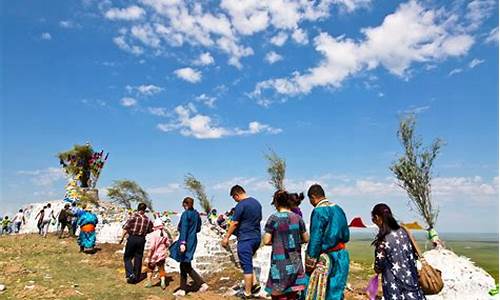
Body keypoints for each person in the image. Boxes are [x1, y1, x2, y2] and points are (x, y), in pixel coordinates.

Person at [304, 184, 350, 300]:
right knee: (337, 290)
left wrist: (310, 261)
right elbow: (346, 234)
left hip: (326, 257)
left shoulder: (319, 211)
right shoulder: (338, 209)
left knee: (317, 291)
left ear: (313, 197)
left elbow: (316, 238)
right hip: (342, 255)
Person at [371, 204, 425, 300]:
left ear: (377, 217)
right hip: (412, 284)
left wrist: (376, 268)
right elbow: (413, 254)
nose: (374, 223)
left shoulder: (383, 239)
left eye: (373, 220)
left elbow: (379, 266)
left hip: (395, 289)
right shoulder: (404, 231)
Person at [263, 191, 309, 299]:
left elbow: (266, 240)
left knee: (278, 293)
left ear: (276, 203)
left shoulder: (273, 218)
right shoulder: (297, 218)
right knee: (292, 293)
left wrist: (277, 241)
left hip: (280, 262)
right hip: (295, 261)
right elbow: (306, 238)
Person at [221, 185, 263, 298]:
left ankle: (247, 293)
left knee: (246, 266)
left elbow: (234, 223)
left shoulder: (241, 205)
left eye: (234, 198)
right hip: (257, 238)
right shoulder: (257, 203)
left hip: (245, 239)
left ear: (236, 195)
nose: (235, 200)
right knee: (248, 261)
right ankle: (254, 284)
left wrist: (226, 237)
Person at [170, 197, 209, 296]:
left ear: (184, 204)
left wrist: (183, 242)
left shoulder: (185, 214)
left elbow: (183, 229)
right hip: (193, 240)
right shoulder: (196, 214)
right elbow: (198, 228)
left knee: (185, 264)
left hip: (186, 240)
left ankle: (199, 284)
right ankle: (184, 288)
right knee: (184, 264)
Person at [120, 203, 153, 284]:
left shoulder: (133, 217)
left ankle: (130, 274)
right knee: (138, 257)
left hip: (132, 238)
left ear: (138, 208)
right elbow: (150, 230)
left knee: (127, 257)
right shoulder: (148, 220)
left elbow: (126, 228)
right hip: (141, 239)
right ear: (145, 210)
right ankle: (136, 277)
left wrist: (122, 238)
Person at [144, 218, 170, 289]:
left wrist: (148, 257)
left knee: (150, 269)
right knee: (161, 269)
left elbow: (152, 247)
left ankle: (149, 283)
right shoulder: (165, 234)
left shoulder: (153, 234)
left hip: (154, 256)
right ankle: (163, 282)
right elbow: (167, 244)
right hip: (162, 255)